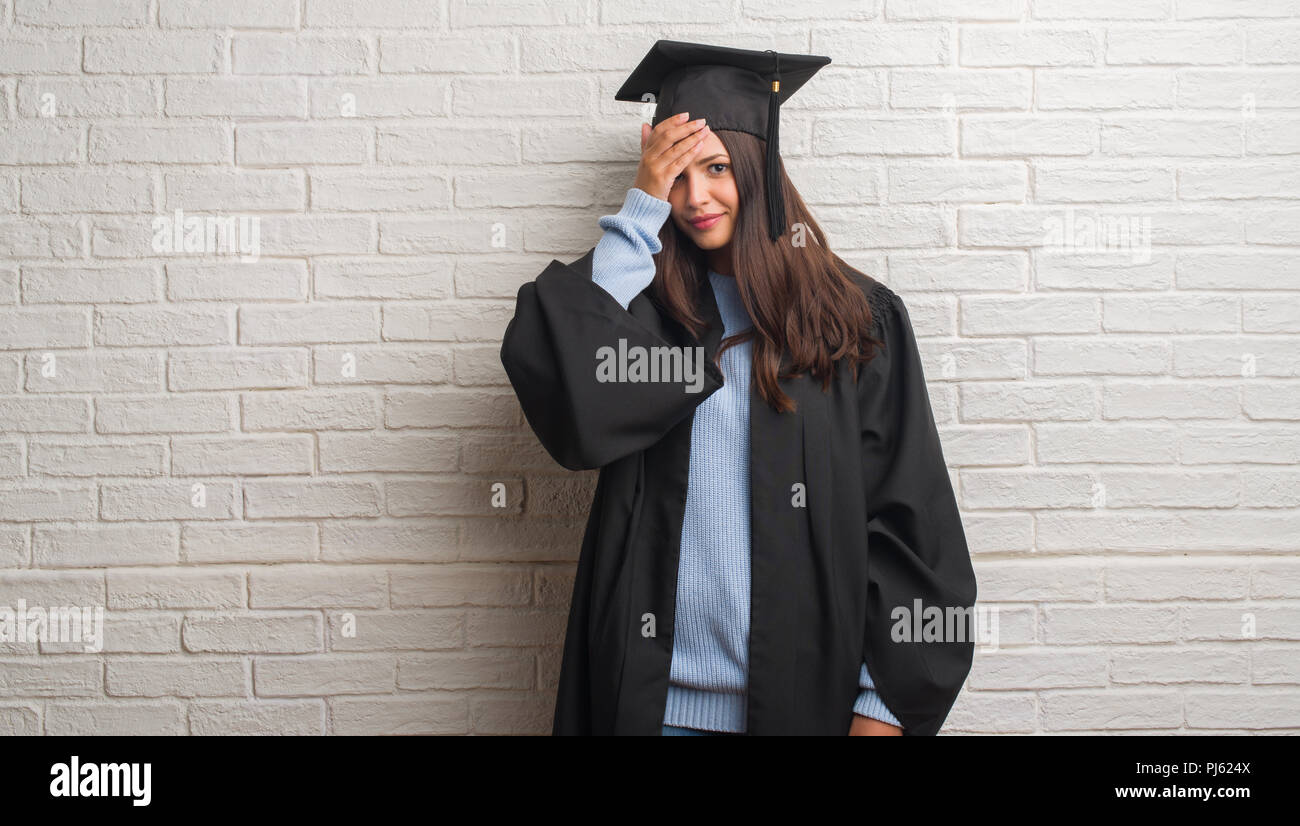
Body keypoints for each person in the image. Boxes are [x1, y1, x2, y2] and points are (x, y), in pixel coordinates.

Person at [500, 41, 977, 736]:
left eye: (718, 167)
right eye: (677, 176)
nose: (697, 199)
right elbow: (574, 385)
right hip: (647, 710)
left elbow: (912, 524)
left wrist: (880, 711)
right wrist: (638, 212)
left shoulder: (853, 324)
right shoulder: (644, 312)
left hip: (802, 710)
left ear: (760, 169)